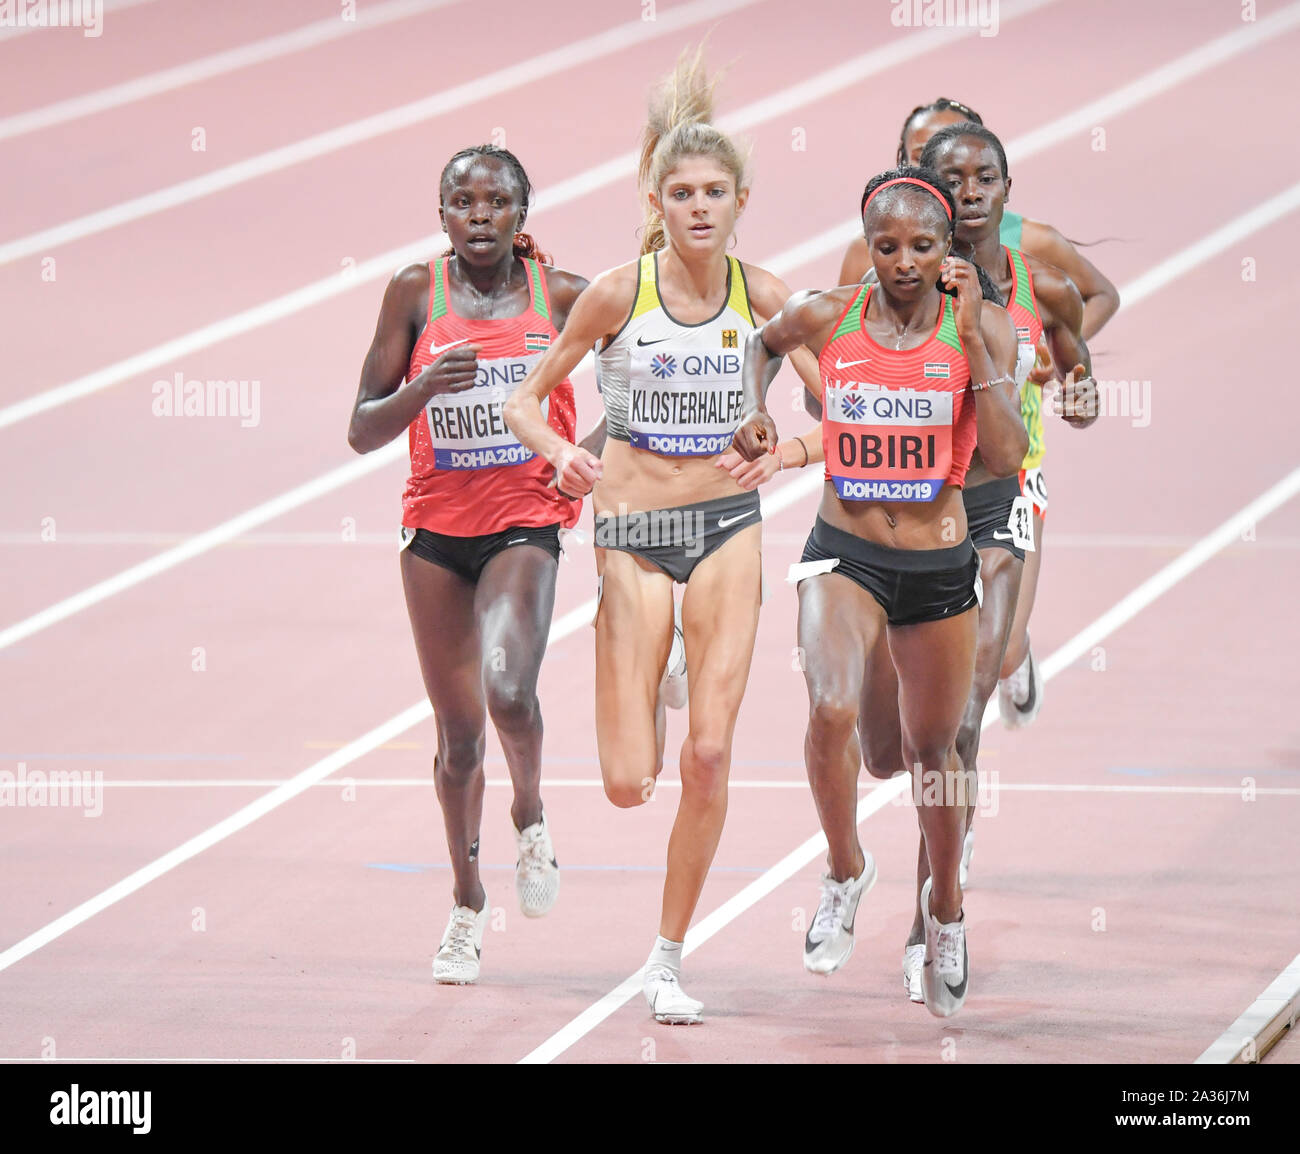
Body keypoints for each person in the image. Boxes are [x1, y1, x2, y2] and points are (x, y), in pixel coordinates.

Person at [506, 47, 820, 1024]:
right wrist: (561, 450)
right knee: (628, 781)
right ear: (657, 196)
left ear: (740, 200)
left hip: (725, 528)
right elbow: (524, 399)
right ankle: (660, 658)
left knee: (711, 758)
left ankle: (667, 956)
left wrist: (789, 454)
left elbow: (843, 408)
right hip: (634, 529)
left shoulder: (764, 295)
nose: (696, 206)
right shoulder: (614, 293)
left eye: (713, 191)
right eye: (680, 190)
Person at [734, 166, 1029, 1018]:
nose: (903, 262)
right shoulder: (832, 316)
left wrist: (973, 344)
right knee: (831, 709)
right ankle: (843, 869)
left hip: (938, 569)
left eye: (922, 247)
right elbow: (761, 343)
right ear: (868, 245)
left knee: (924, 760)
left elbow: (1006, 457)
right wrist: (754, 410)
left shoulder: (983, 331)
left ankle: (946, 914)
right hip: (846, 555)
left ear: (951, 252)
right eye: (886, 245)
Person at [347, 144, 590, 985]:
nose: (479, 216)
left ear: (524, 214)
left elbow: (639, 387)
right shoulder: (415, 294)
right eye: (462, 201)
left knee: (510, 691)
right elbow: (362, 427)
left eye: (496, 202)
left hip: (526, 520)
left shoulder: (565, 296)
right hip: (436, 535)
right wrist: (422, 389)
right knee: (457, 740)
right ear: (440, 211)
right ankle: (466, 903)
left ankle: (529, 813)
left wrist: (578, 454)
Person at [842, 100, 1120, 730]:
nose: (962, 191)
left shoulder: (1035, 263)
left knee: (985, 669)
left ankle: (1008, 670)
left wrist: (1071, 382)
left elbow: (1083, 356)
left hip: (1011, 475)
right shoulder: (887, 265)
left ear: (999, 183)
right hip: (923, 485)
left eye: (981, 176)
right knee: (903, 714)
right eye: (921, 162)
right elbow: (834, 356)